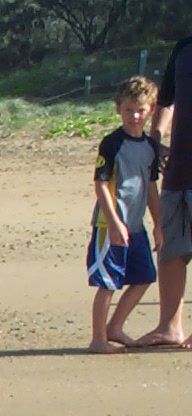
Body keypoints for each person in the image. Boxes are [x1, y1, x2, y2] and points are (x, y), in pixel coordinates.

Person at [87, 76, 164, 353]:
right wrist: (115, 222)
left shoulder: (150, 147)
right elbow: (101, 185)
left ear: (151, 110)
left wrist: (158, 224)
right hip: (110, 224)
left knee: (144, 277)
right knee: (108, 283)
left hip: (136, 225)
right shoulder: (111, 143)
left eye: (140, 110)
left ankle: (115, 326)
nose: (134, 116)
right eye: (129, 109)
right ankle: (98, 339)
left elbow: (151, 187)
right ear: (118, 108)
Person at [140, 32, 192, 348]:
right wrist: (156, 136)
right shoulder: (184, 47)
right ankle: (169, 327)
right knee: (171, 251)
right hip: (180, 169)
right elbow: (166, 99)